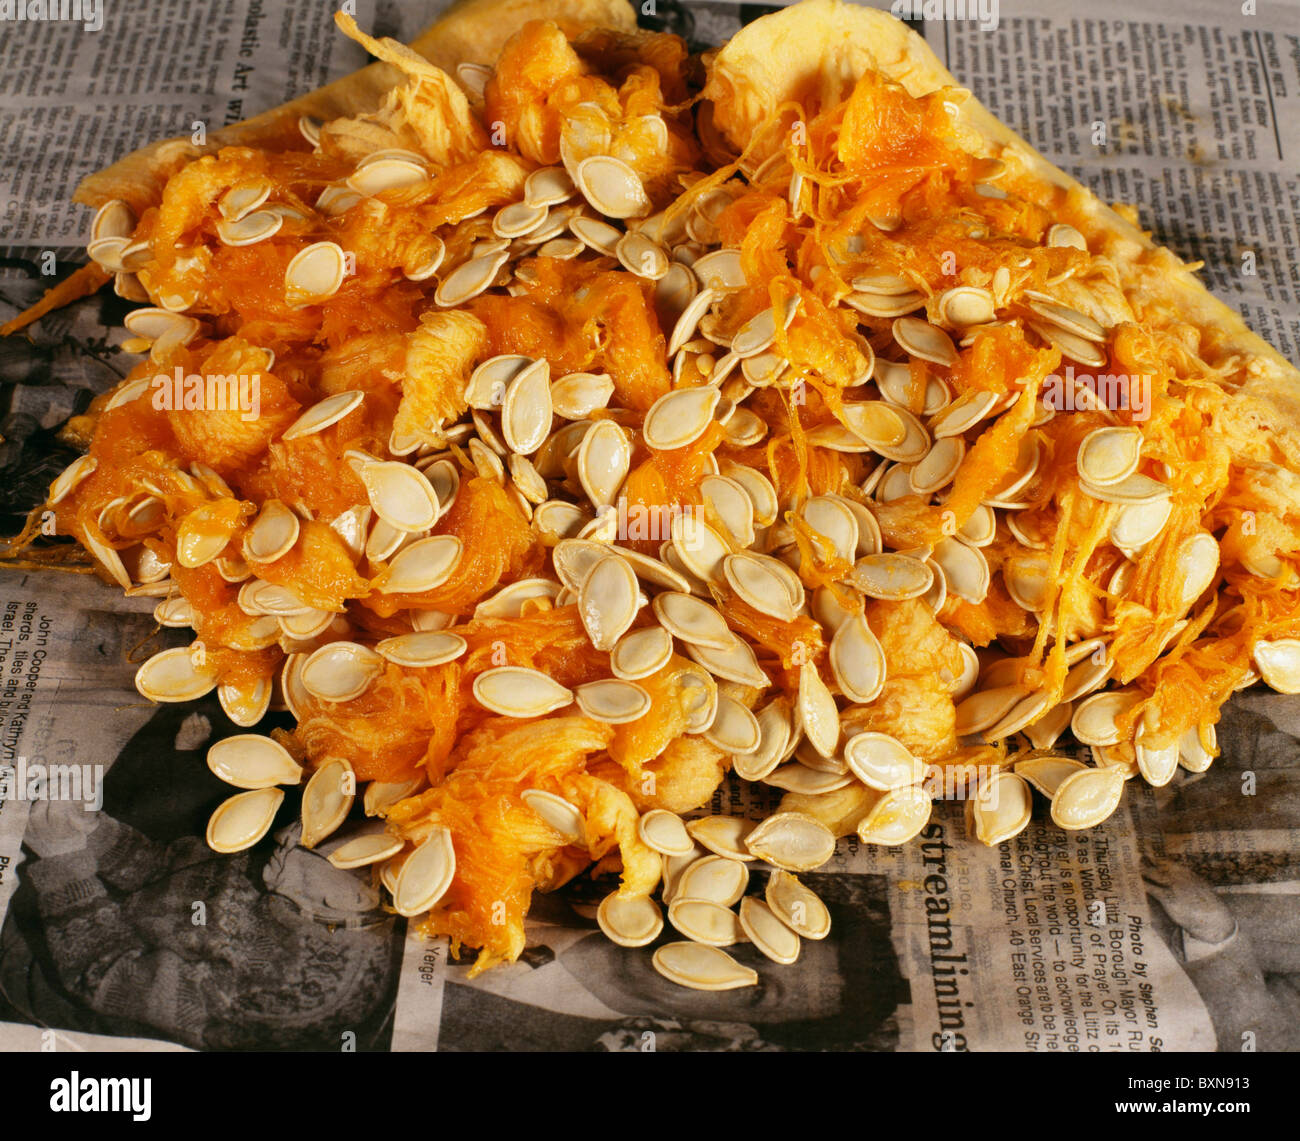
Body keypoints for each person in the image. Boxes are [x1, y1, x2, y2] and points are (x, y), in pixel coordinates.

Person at [0, 698, 402, 1051]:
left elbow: (105, 978)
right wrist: (95, 833)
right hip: (112, 911)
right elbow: (165, 868)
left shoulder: (292, 993)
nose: (283, 834)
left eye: (312, 839)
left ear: (351, 900)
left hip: (66, 980)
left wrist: (62, 861)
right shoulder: (303, 875)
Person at [437, 872, 909, 1051]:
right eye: (749, 942)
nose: (714, 958)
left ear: (734, 1029)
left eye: (755, 989)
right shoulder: (554, 875)